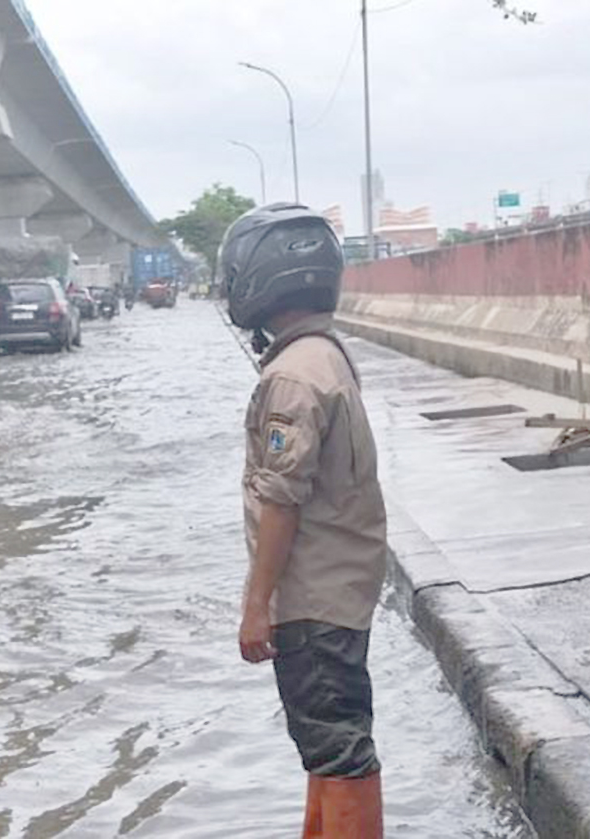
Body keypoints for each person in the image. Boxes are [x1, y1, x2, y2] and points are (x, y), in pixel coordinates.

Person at [220, 203, 388, 837]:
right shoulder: (327, 356)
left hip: (313, 596)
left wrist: (256, 604)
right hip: (341, 587)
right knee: (329, 742)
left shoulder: (291, 377)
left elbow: (282, 500)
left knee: (337, 750)